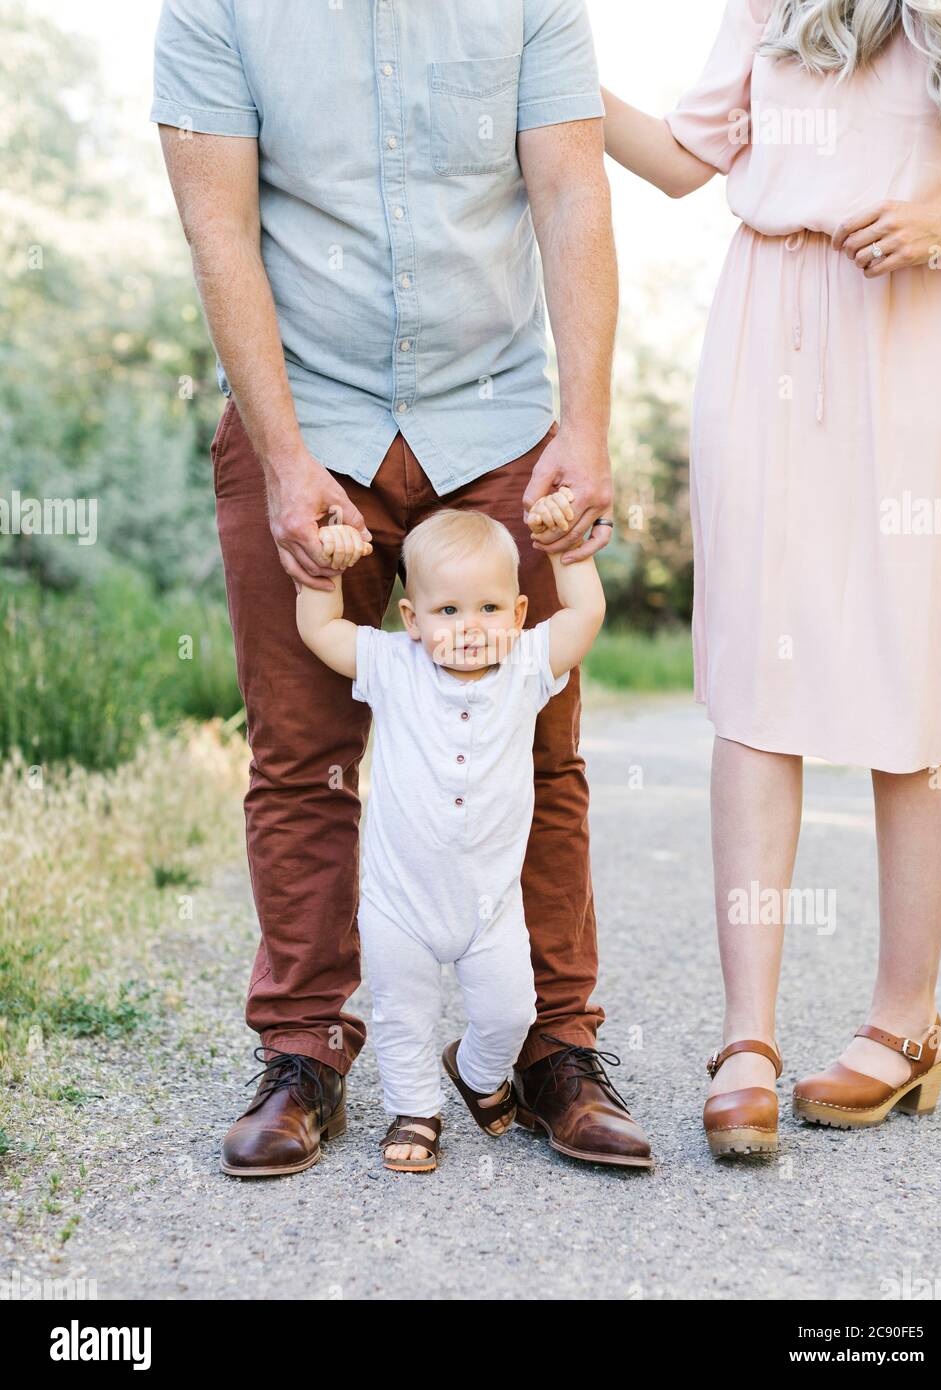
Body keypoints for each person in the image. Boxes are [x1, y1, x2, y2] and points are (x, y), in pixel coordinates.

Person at [151, 0, 653, 1175]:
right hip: (304, 415)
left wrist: (582, 424)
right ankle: (307, 1047)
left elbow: (572, 191)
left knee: (537, 746)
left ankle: (548, 1046)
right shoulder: (212, 10)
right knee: (300, 753)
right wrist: (280, 456)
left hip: (498, 414)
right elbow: (218, 229)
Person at [601, 0, 941, 1155]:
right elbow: (678, 156)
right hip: (766, 325)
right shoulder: (770, 5)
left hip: (918, 329)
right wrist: (540, 47)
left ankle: (901, 1026)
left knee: (908, 683)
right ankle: (745, 1039)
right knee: (754, 680)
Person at [293, 493, 608, 1172]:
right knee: (404, 1015)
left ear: (519, 614)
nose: (470, 626)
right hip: (399, 904)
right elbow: (321, 631)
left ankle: (474, 1068)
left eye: (490, 608)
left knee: (510, 1014)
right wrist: (322, 574)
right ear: (412, 618)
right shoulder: (394, 666)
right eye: (448, 610)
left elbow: (585, 613)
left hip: (489, 909)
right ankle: (414, 1112)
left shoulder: (527, 667)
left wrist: (562, 552)